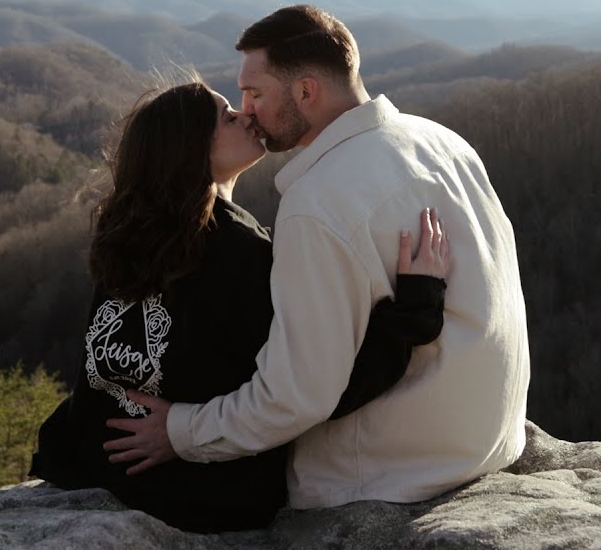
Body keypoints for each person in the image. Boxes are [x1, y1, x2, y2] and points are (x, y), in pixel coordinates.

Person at [104, 5, 530, 509]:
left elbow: (296, 396)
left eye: (256, 93)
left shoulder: (318, 202)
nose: (247, 110)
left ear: (306, 91)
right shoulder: (442, 141)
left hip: (390, 473)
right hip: (489, 437)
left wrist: (181, 432)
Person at [29, 79, 451, 532]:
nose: (247, 115)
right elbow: (312, 386)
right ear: (192, 149)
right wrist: (413, 311)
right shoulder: (237, 250)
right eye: (228, 116)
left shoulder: (127, 235)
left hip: (97, 463)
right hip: (198, 492)